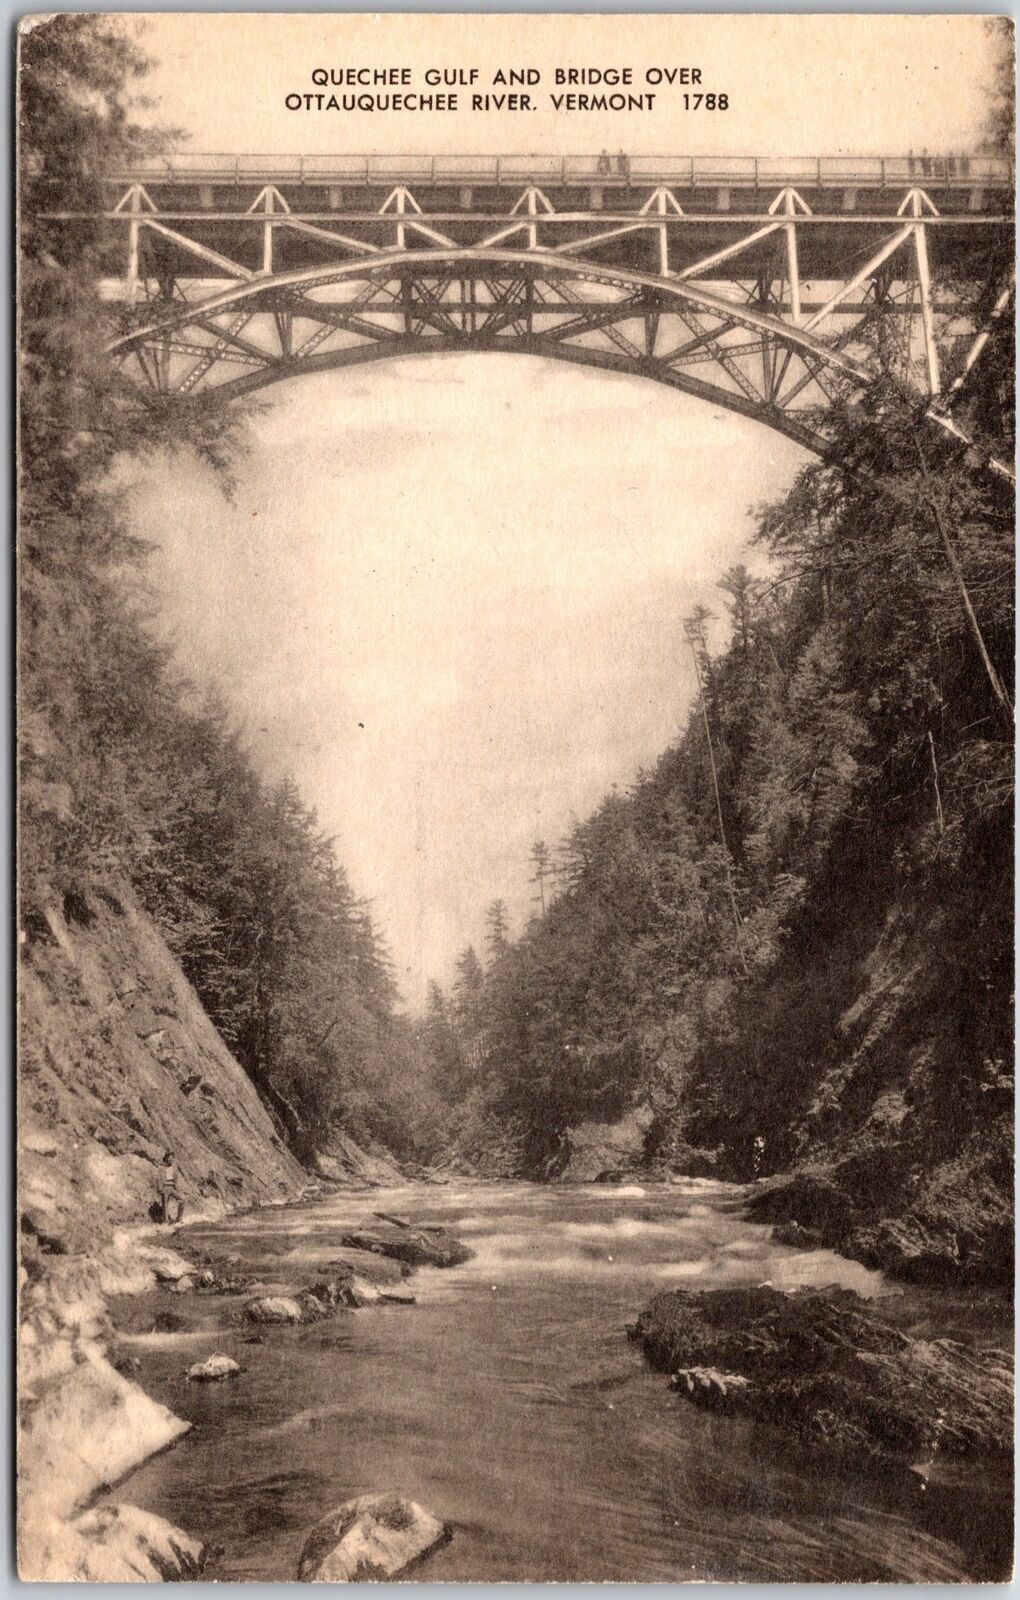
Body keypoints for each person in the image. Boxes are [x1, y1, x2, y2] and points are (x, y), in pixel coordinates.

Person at [157, 1149, 183, 1224]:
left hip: (172, 1187)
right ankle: (165, 1222)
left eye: (171, 1157)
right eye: (169, 1157)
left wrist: (177, 1187)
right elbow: (159, 1178)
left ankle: (179, 1218)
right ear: (165, 1158)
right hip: (165, 1187)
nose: (170, 1159)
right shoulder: (161, 1167)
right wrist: (160, 1188)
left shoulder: (174, 1167)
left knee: (182, 1200)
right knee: (165, 1205)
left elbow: (176, 1178)